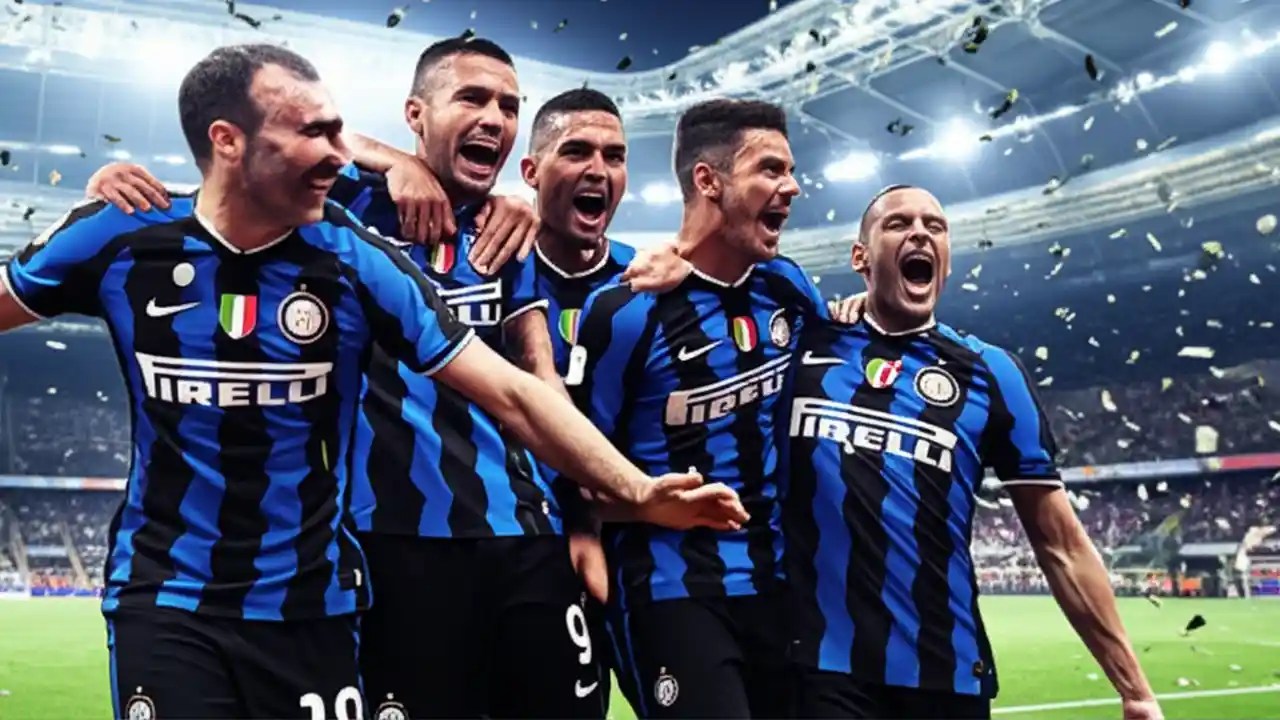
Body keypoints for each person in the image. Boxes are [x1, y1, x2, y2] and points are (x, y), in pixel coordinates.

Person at [1, 43, 748, 720]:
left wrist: (632, 492)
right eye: (315, 135)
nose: (336, 156)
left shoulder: (371, 255)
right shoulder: (132, 233)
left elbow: (522, 388)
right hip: (202, 588)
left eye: (509, 106)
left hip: (340, 597)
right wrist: (391, 159)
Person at [782, 184, 1162, 720]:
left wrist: (1136, 689)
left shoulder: (992, 374)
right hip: (821, 671)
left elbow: (1062, 544)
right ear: (860, 257)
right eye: (898, 223)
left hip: (948, 675)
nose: (919, 232)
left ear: (947, 260)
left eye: (935, 226)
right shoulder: (803, 347)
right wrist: (675, 260)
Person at [567, 98, 828, 719]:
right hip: (669, 591)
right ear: (708, 181)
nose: (791, 187)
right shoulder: (623, 315)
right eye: (770, 170)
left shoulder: (790, 289)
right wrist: (643, 500)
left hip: (783, 588)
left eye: (791, 171)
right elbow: (571, 471)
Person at [520, 86, 636, 707]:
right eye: (578, 151)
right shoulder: (491, 264)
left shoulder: (647, 284)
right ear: (531, 172)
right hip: (515, 548)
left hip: (627, 553)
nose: (599, 170)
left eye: (615, 156)